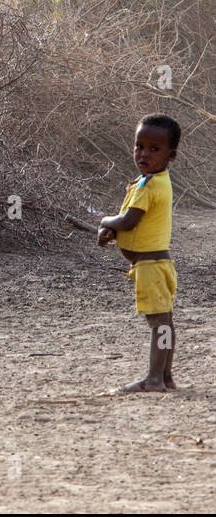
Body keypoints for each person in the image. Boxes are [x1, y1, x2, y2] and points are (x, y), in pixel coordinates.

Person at [98, 114, 181, 393]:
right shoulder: (153, 181)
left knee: (159, 324)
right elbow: (132, 225)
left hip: (149, 266)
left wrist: (105, 222)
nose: (144, 153)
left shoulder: (148, 186)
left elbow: (127, 221)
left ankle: (154, 379)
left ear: (172, 155)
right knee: (165, 323)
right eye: (139, 146)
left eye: (154, 149)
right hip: (160, 264)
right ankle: (166, 377)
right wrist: (113, 231)